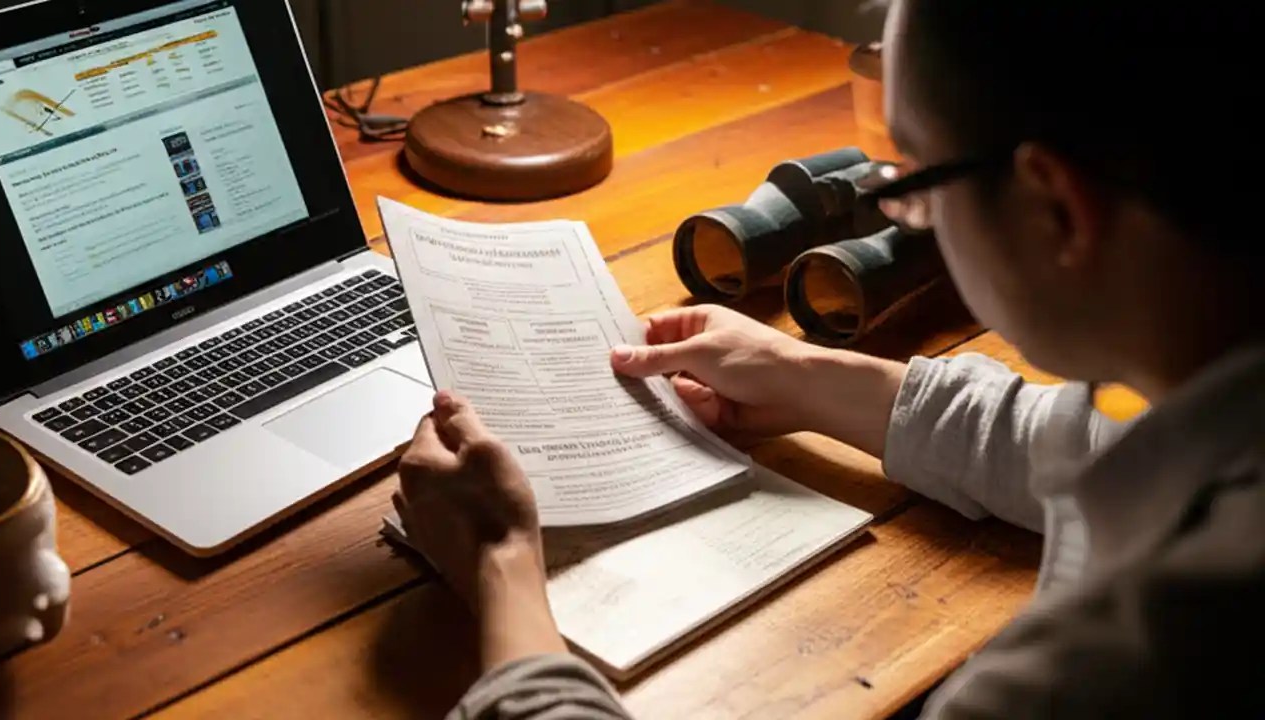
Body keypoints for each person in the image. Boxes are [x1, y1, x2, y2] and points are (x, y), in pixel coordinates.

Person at [394, 0, 1265, 717]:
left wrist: (502, 564)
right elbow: (1096, 443)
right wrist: (813, 381)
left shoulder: (1137, 656)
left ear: (1057, 210)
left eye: (917, 184)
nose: (912, 219)